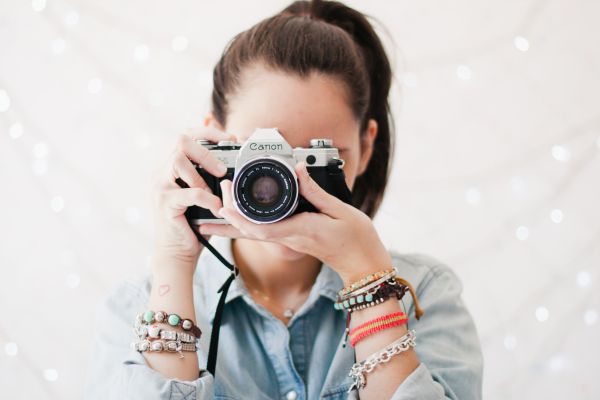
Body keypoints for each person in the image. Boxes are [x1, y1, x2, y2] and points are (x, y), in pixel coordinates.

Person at [84, 1, 484, 399]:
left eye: (319, 158)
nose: (286, 185)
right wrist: (173, 263)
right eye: (263, 156)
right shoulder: (138, 307)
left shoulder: (425, 294)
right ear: (214, 142)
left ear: (366, 146)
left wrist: (371, 284)